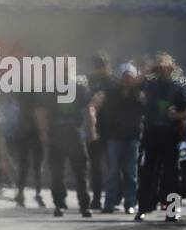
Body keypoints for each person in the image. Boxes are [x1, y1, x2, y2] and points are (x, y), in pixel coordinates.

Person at [137, 52, 186, 221]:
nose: (162, 69)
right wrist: (149, 69)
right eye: (160, 66)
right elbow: (134, 84)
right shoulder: (150, 85)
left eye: (165, 66)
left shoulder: (178, 87)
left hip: (171, 136)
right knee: (147, 173)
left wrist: (178, 116)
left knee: (171, 174)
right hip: (152, 135)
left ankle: (172, 211)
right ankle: (143, 208)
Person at [37, 76, 92, 217]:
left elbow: (88, 109)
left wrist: (91, 129)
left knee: (74, 172)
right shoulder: (76, 88)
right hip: (62, 134)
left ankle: (77, 205)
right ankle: (66, 204)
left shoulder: (76, 88)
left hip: (70, 133)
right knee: (62, 172)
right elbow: (42, 112)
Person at [103, 63, 144, 214]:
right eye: (125, 77)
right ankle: (109, 202)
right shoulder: (112, 92)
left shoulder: (139, 94)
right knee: (113, 171)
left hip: (132, 137)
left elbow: (145, 106)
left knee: (130, 173)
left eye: (130, 77)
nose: (127, 80)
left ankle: (130, 203)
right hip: (114, 136)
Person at [87, 53, 115, 208]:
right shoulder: (89, 81)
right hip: (95, 127)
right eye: (98, 65)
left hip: (112, 128)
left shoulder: (114, 82)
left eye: (103, 65)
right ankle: (97, 198)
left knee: (114, 165)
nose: (101, 68)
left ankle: (114, 196)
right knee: (95, 165)